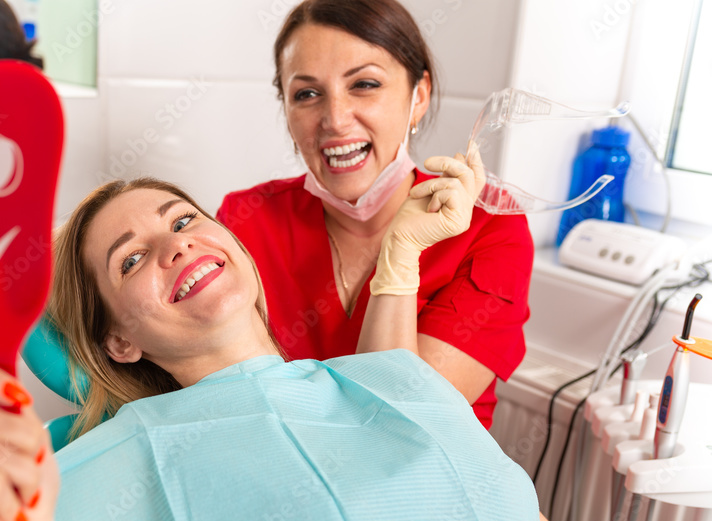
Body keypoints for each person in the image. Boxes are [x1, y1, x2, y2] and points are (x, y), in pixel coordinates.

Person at [0, 173, 712, 521]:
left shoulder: (394, 389)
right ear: (118, 340)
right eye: (130, 258)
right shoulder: (117, 470)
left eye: (183, 218)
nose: (173, 243)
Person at [217, 0, 531, 429]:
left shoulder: (491, 227)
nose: (335, 119)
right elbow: (224, 393)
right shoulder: (248, 219)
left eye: (364, 84)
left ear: (418, 96)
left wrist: (401, 256)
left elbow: (401, 424)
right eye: (307, 94)